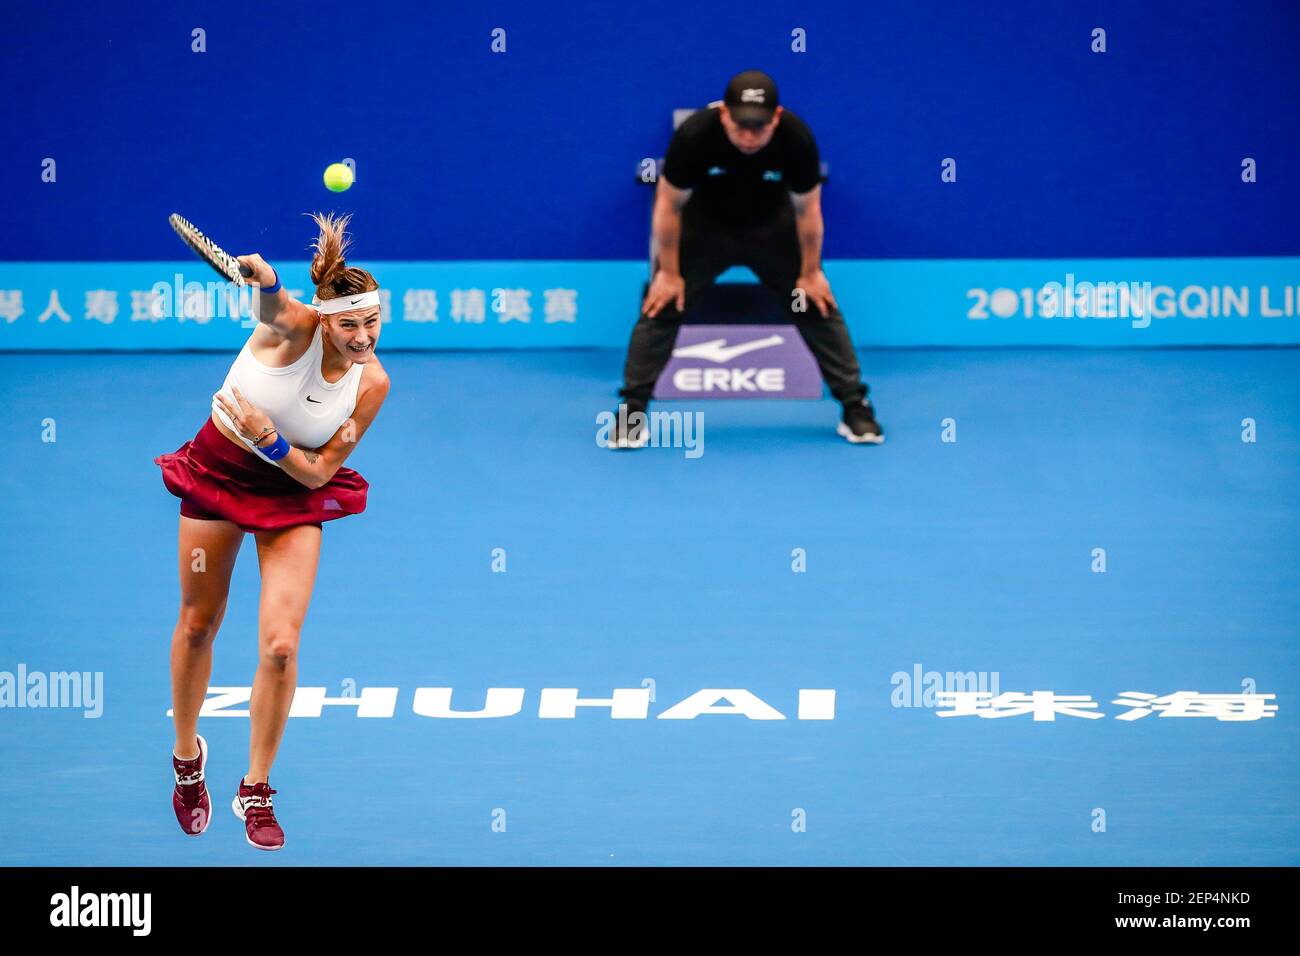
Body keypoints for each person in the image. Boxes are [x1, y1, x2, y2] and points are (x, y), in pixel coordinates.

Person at [154, 212, 391, 850]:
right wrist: (262, 281)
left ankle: (255, 787)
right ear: (327, 318)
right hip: (217, 475)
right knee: (200, 622)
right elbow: (275, 304)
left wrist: (272, 440)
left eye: (372, 322)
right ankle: (186, 757)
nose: (363, 335)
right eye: (350, 323)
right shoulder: (295, 329)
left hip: (289, 492)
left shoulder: (374, 386)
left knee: (281, 646)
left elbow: (317, 474)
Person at [613, 70, 883, 446]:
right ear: (724, 114)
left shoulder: (796, 138)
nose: (749, 136)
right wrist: (670, 273)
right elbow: (669, 206)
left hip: (771, 230)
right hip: (705, 230)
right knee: (662, 304)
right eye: (741, 126)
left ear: (776, 117)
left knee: (815, 302)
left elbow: (808, 212)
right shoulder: (694, 135)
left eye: (759, 127)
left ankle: (856, 407)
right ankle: (632, 413)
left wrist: (809, 273)